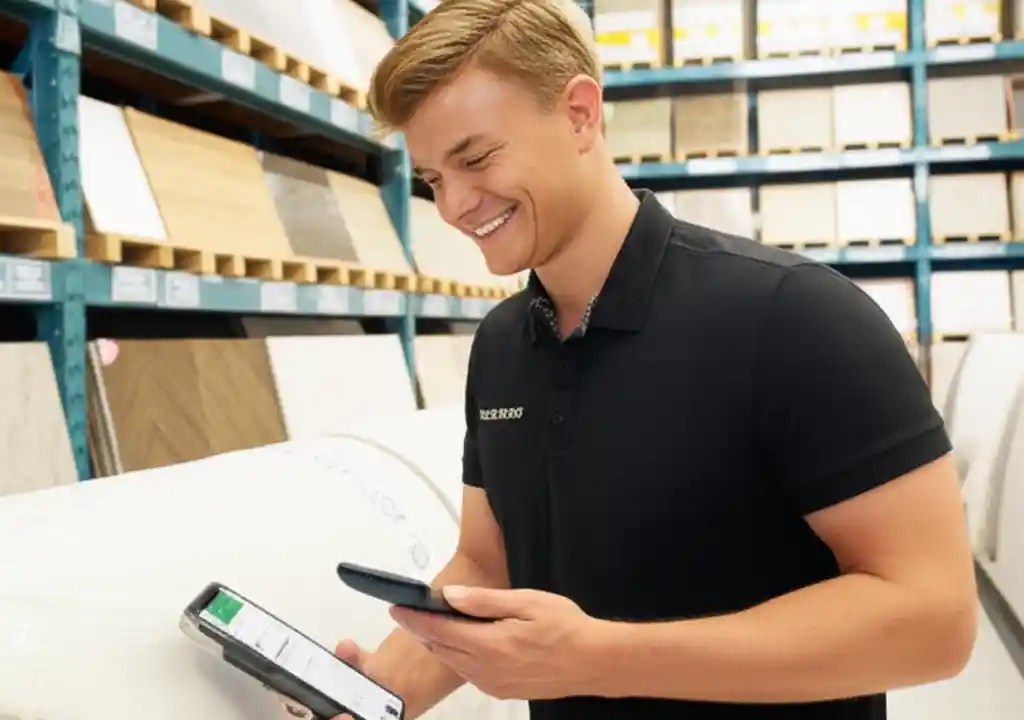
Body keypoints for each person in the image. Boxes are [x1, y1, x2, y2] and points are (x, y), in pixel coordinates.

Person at [290, 1, 978, 718]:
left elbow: (934, 620)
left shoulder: (794, 318)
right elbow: (486, 566)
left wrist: (600, 659)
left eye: (476, 158)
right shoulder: (501, 346)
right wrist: (374, 695)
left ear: (582, 114)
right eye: (433, 178)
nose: (455, 206)